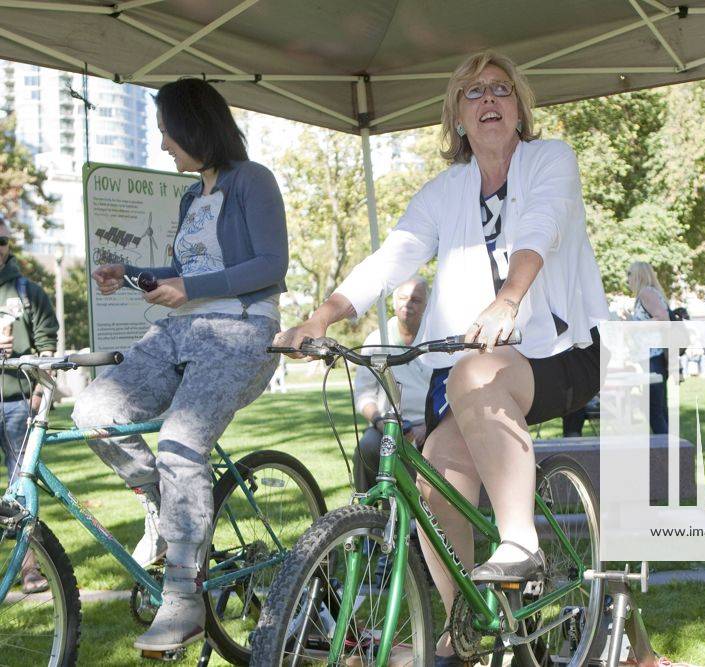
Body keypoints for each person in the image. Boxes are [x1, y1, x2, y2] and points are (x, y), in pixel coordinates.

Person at [274, 50, 609, 664]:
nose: (489, 100)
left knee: (475, 372)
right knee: (434, 470)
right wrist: (322, 317)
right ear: (457, 116)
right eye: (474, 92)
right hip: (473, 370)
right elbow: (393, 257)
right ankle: (463, 629)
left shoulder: (549, 160)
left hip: (560, 352)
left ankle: (520, 540)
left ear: (520, 108)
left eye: (501, 90)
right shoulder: (444, 191)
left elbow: (543, 224)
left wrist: (510, 297)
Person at [72, 78, 287, 653]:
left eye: (168, 132)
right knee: (94, 410)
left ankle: (184, 600)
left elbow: (270, 264)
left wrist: (185, 284)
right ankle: (171, 504)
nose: (163, 143)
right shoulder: (195, 197)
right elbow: (180, 274)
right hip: (180, 329)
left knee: (180, 441)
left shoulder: (253, 180)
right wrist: (135, 273)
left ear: (195, 127)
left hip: (242, 330)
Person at [0, 214, 58, 593]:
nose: (0, 248)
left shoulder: (26, 290)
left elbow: (47, 343)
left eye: (2, 241)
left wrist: (40, 391)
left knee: (21, 488)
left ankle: (30, 570)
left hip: (17, 404)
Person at [351, 277, 431, 491]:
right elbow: (364, 395)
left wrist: (429, 426)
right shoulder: (376, 340)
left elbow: (452, 393)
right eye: (402, 298)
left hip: (432, 426)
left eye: (415, 300)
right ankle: (366, 517)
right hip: (387, 425)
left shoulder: (436, 338)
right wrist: (380, 422)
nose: (408, 304)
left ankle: (428, 518)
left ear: (427, 305)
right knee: (367, 447)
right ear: (394, 303)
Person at [627, 261, 671, 434]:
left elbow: (663, 319)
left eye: (630, 274)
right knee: (658, 410)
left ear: (639, 275)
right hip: (652, 358)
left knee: (654, 412)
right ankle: (671, 453)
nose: (627, 279)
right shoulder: (648, 293)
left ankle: (666, 453)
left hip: (653, 358)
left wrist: (635, 326)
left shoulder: (646, 293)